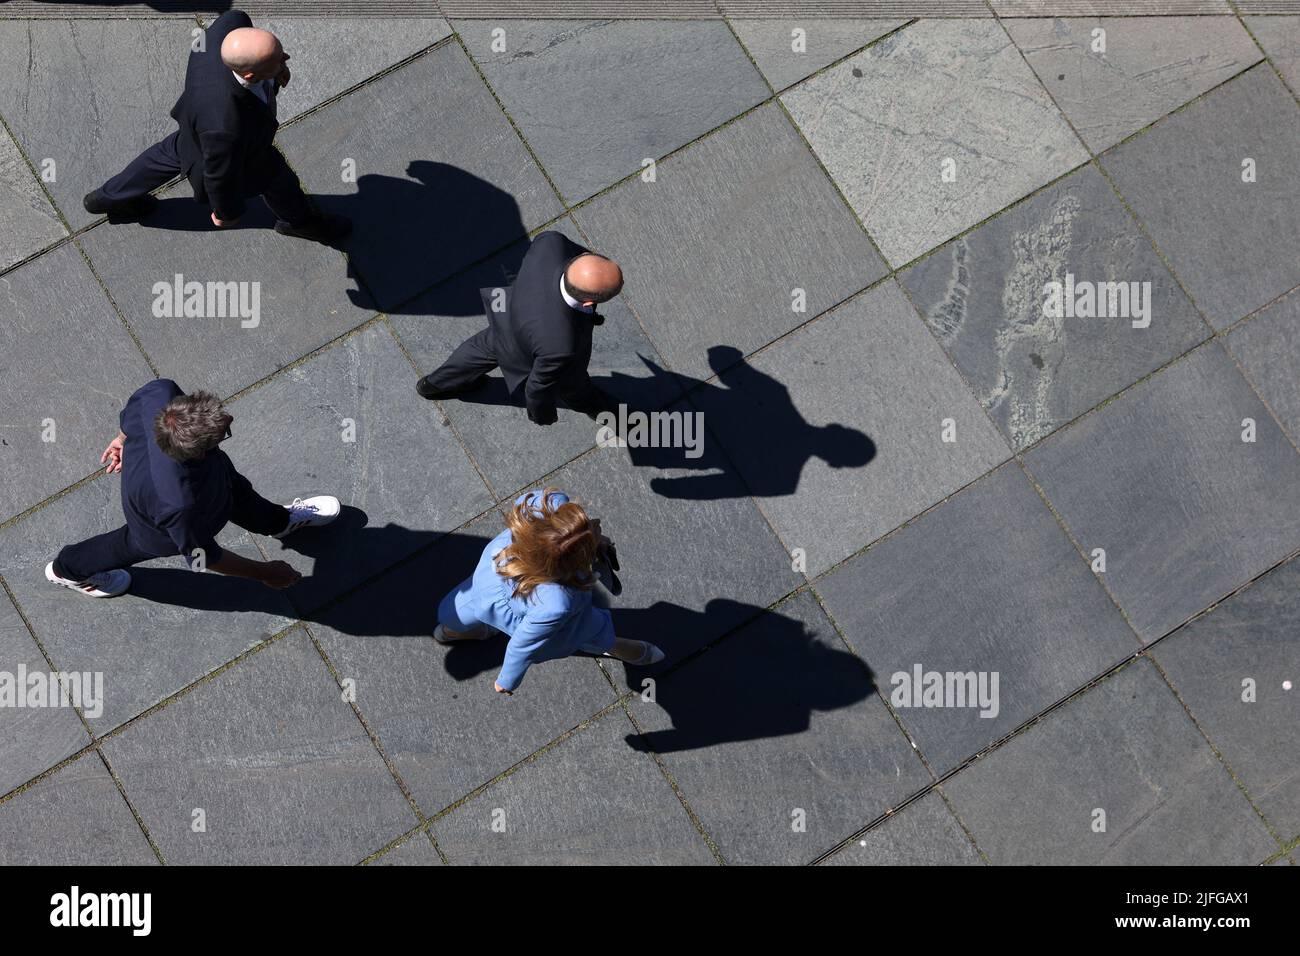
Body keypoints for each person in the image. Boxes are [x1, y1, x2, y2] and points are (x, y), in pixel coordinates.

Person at [45, 379, 340, 598]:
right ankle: (67, 570)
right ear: (198, 452)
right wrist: (266, 573)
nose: (230, 420)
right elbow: (205, 557)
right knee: (127, 545)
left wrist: (122, 439)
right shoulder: (179, 505)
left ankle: (280, 523)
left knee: (237, 492)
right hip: (156, 526)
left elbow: (136, 405)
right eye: (223, 433)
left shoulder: (161, 394)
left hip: (210, 480)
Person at [82, 9, 349, 243]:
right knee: (278, 178)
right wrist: (226, 214)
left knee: (169, 154)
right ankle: (299, 222)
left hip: (195, 125)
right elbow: (220, 176)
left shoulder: (231, 24)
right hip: (236, 147)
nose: (286, 59)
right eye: (278, 61)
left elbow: (236, 20)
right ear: (250, 75)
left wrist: (276, 71)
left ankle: (108, 198)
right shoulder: (226, 127)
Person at [435, 488, 663, 694]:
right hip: (535, 615)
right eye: (592, 527)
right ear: (573, 563)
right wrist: (507, 680)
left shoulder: (544, 506)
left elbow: (540, 500)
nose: (597, 522)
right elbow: (522, 644)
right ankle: (611, 644)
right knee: (588, 628)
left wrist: (587, 536)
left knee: (459, 609)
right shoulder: (557, 603)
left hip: (493, 581)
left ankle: (459, 629)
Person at [415, 231, 622, 425]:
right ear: (587, 303)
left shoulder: (551, 242)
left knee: (478, 349)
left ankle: (433, 385)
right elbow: (538, 386)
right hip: (534, 346)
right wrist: (543, 415)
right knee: (577, 390)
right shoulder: (561, 345)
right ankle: (612, 416)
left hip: (508, 317)